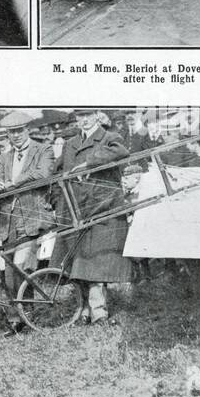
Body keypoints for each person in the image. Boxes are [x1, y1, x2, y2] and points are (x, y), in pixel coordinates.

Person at [53, 113, 130, 325]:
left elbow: (121, 151)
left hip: (101, 207)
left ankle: (99, 313)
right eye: (80, 116)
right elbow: (59, 171)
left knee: (96, 262)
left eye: (88, 115)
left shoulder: (109, 137)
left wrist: (89, 163)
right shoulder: (70, 144)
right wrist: (57, 201)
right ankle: (84, 310)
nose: (84, 120)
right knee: (79, 263)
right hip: (74, 209)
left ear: (97, 115)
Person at [0, 111, 56, 334]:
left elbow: (43, 173)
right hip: (9, 222)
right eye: (11, 132)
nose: (15, 136)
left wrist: (13, 183)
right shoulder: (4, 157)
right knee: (8, 274)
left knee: (22, 267)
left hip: (33, 218)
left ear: (27, 130)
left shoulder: (43, 149)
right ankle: (15, 320)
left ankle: (27, 317)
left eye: (19, 131)